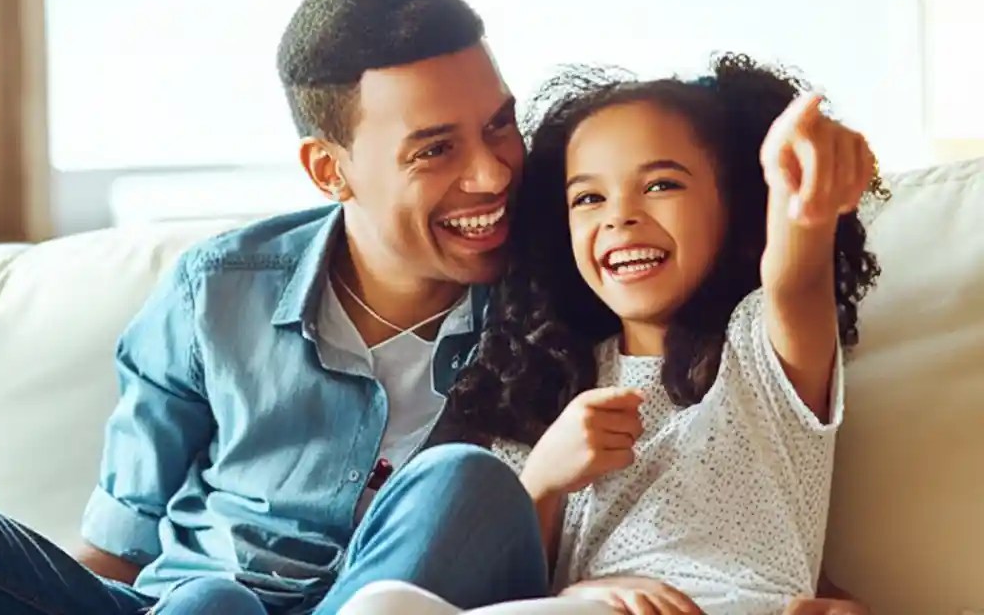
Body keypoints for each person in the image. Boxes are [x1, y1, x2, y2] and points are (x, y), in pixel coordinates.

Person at [0, 0, 552, 615]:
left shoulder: (556, 296)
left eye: (499, 125)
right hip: (182, 605)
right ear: (328, 170)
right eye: (436, 150)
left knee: (467, 482)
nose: (492, 174)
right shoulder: (215, 295)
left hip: (383, 597)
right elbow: (115, 551)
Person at [340, 54, 882, 615]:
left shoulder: (760, 353)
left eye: (661, 184)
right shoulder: (549, 386)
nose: (620, 216)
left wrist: (800, 194)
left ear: (739, 207)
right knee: (383, 604)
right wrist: (545, 480)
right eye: (589, 198)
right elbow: (507, 576)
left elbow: (796, 279)